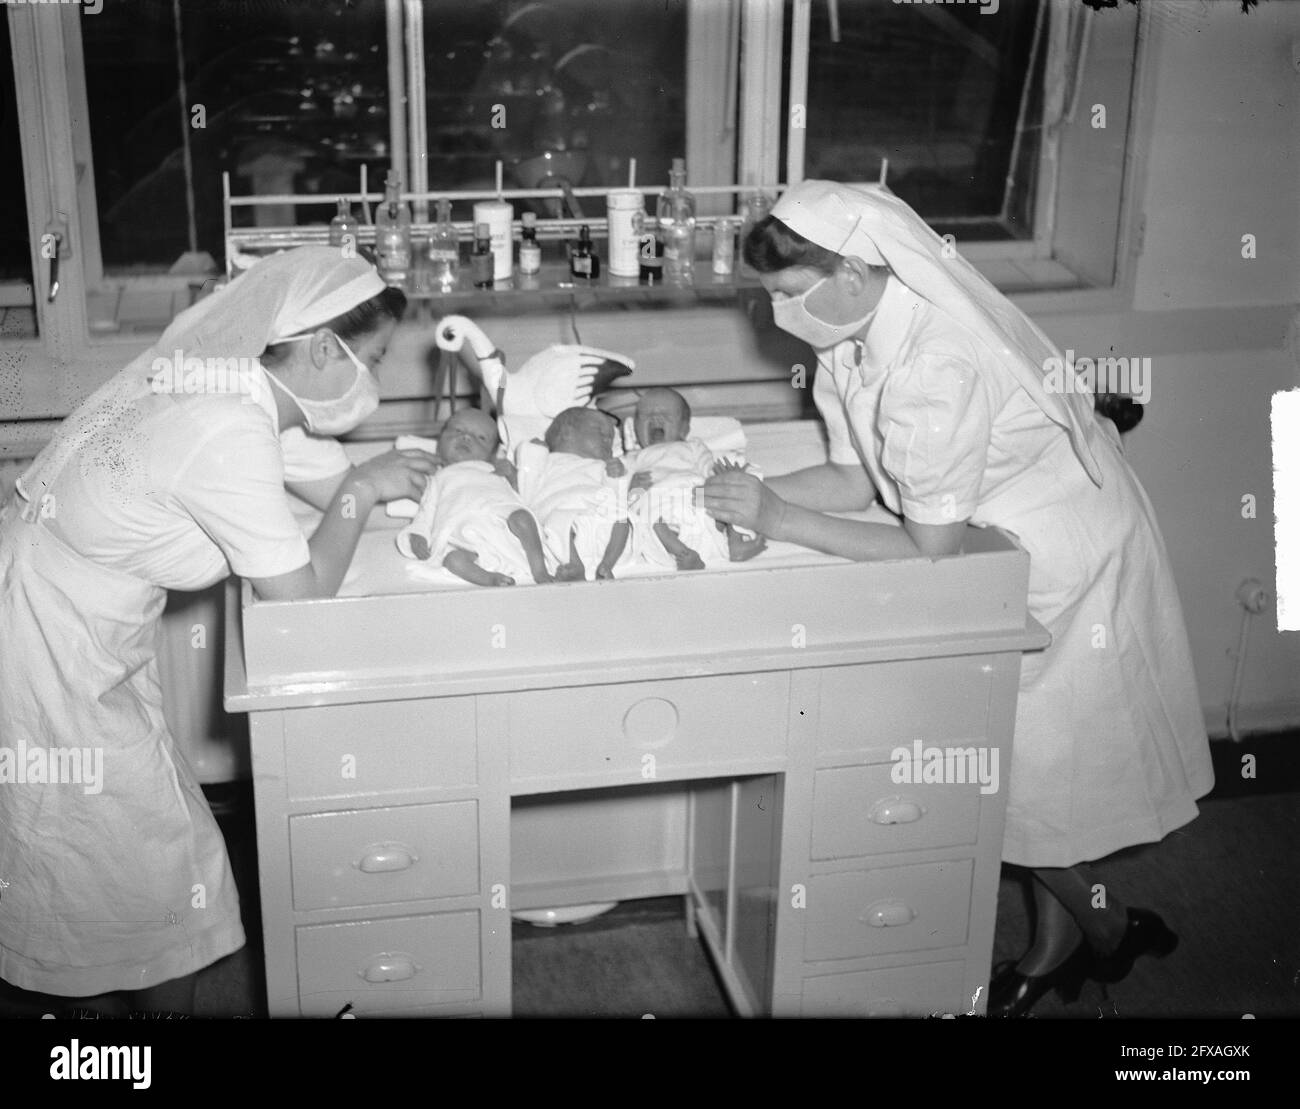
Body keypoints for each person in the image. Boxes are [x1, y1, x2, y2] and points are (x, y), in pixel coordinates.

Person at [697, 180, 1214, 1017]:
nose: (778, 312)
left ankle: (1099, 930)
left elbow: (928, 547)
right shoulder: (850, 332)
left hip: (1065, 551)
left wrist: (780, 519)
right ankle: (1082, 938)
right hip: (990, 538)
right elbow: (855, 473)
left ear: (854, 276)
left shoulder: (938, 358)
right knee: (1034, 773)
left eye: (787, 293)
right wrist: (738, 489)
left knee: (1030, 776)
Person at [0, 246, 439, 1015]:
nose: (373, 380)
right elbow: (295, 600)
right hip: (40, 637)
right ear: (321, 349)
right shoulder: (228, 424)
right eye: (369, 359)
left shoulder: (226, 372)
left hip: (63, 608)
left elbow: (325, 476)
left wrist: (431, 483)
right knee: (145, 858)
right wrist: (366, 493)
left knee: (105, 850)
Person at [396, 407, 552, 586]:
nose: (466, 437)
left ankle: (539, 568)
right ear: (439, 443)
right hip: (462, 526)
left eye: (481, 438)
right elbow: (426, 512)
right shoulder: (437, 479)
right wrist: (417, 535)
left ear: (493, 455)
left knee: (523, 518)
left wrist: (512, 477)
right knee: (454, 558)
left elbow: (525, 497)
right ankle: (487, 578)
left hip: (501, 518)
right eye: (458, 430)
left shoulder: (493, 469)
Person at [626, 387, 765, 569]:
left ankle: (735, 540)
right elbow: (622, 497)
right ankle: (683, 552)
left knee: (729, 498)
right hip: (657, 497)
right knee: (648, 519)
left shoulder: (693, 447)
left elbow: (708, 468)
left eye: (667, 415)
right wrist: (633, 488)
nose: (655, 418)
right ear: (636, 427)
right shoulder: (633, 458)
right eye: (646, 415)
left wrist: (724, 477)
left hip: (694, 492)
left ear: (684, 429)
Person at [516, 407, 632, 581]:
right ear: (567, 433)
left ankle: (607, 565)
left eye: (611, 438)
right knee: (558, 523)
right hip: (559, 513)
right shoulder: (548, 462)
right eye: (600, 432)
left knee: (623, 519)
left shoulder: (601, 466)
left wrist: (616, 476)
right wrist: (533, 453)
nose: (608, 440)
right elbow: (527, 484)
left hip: (597, 518)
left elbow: (617, 496)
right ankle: (575, 565)